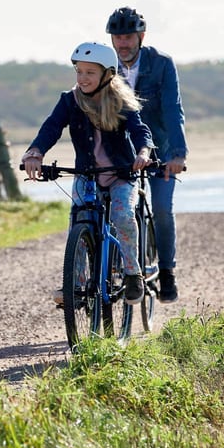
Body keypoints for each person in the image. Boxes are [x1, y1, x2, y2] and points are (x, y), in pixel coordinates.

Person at [21, 42, 153, 304]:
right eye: (79, 72)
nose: (82, 78)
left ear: (108, 75)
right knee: (78, 223)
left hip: (121, 173)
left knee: (123, 215)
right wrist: (35, 152)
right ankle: (76, 286)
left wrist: (143, 153)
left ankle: (132, 273)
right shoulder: (69, 100)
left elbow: (140, 131)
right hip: (86, 174)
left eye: (90, 73)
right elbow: (51, 128)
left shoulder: (121, 101)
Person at [107, 6, 188, 302]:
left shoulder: (162, 63)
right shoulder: (105, 64)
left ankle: (167, 271)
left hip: (160, 150)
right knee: (112, 210)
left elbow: (172, 109)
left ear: (141, 36)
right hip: (119, 153)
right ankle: (117, 266)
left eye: (128, 37)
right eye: (117, 38)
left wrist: (178, 153)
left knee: (163, 210)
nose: (122, 43)